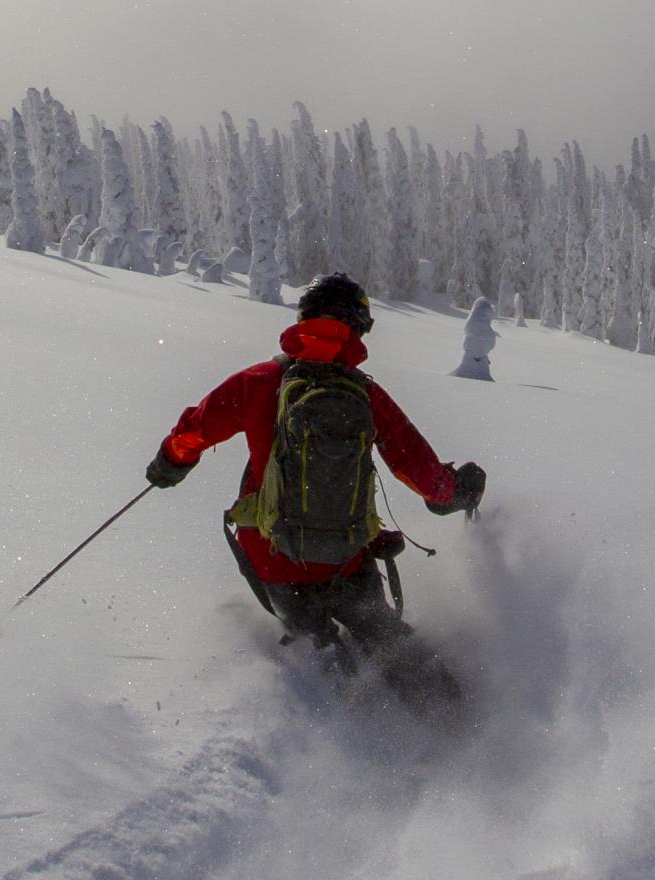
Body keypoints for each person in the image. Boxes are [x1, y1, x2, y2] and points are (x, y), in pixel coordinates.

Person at [147, 272, 486, 671]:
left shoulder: (259, 382)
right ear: (357, 329)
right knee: (390, 646)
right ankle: (452, 716)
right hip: (346, 560)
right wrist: (454, 493)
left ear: (302, 320)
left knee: (318, 655)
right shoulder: (367, 395)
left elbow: (194, 430)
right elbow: (421, 471)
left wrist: (170, 463)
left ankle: (320, 697)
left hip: (274, 562)